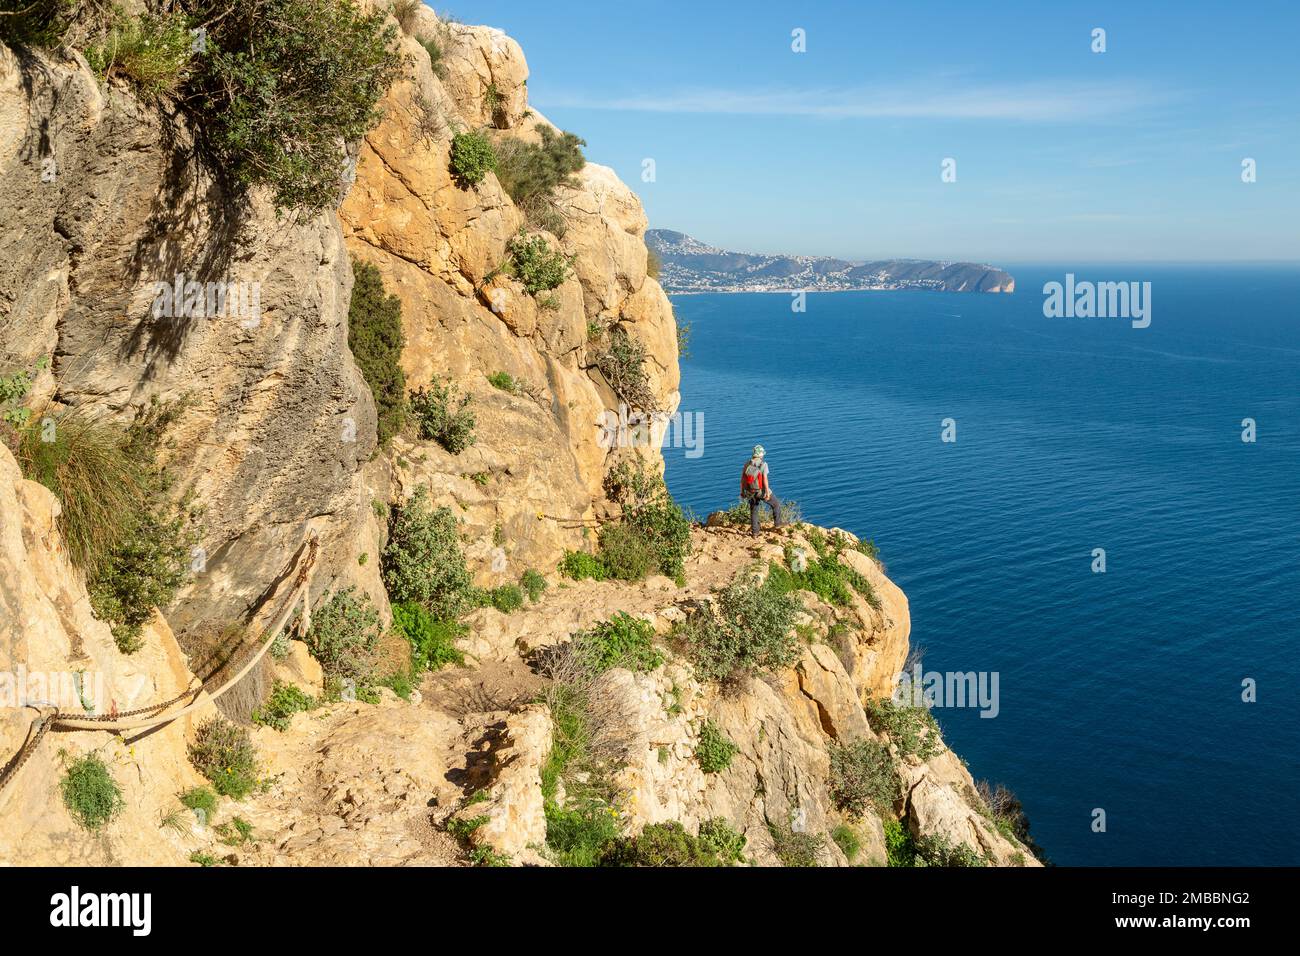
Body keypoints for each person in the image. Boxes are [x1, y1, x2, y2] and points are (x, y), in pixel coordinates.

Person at [740, 444, 784, 537]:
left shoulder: (747, 464)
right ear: (760, 455)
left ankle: (755, 533)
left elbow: (743, 479)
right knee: (776, 504)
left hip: (750, 491)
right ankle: (778, 525)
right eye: (762, 454)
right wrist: (767, 493)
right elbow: (765, 480)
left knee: (754, 510)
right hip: (761, 491)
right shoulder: (763, 464)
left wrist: (742, 491)